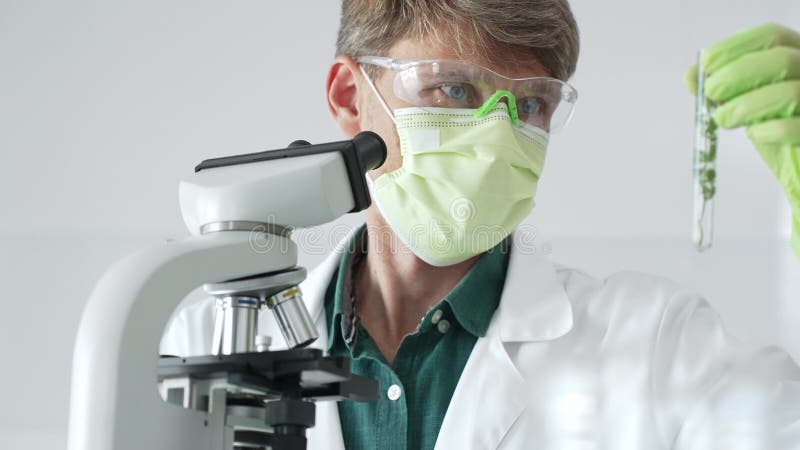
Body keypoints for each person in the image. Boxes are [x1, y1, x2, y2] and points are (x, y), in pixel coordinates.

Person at [161, 1, 800, 448]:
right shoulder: (218, 341)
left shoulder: (655, 343)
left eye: (529, 103)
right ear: (351, 99)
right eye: (454, 90)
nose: (497, 140)